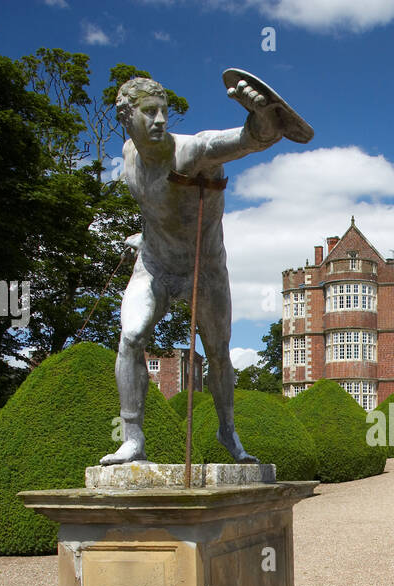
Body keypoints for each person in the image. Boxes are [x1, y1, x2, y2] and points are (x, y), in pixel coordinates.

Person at [100, 75, 282, 465]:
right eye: (149, 112)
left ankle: (227, 430)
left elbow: (252, 139)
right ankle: (132, 438)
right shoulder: (129, 154)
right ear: (126, 117)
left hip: (206, 268)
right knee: (130, 337)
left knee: (217, 353)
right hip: (154, 263)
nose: (161, 120)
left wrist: (262, 114)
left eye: (164, 111)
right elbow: (156, 209)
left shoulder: (193, 151)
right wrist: (145, 235)